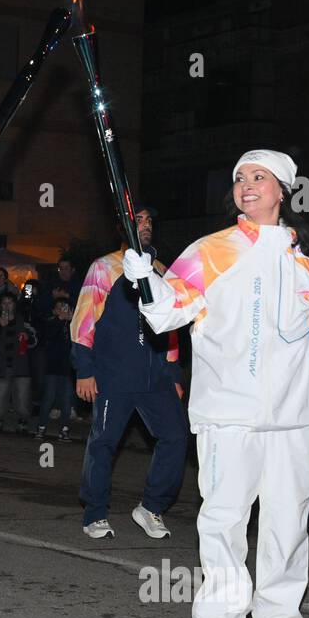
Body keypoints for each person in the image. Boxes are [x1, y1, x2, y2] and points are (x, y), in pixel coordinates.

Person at [122, 150, 309, 618]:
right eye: (240, 178)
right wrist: (145, 281)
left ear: (282, 191)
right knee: (224, 524)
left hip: (294, 418)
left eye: (259, 177)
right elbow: (168, 313)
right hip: (228, 414)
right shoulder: (210, 250)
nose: (246, 185)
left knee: (288, 528)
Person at [71, 207, 188, 540]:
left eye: (150, 220)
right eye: (138, 220)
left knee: (177, 437)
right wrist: (84, 369)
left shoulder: (163, 271)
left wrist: (174, 374)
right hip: (114, 376)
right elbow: (83, 321)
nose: (146, 225)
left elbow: (171, 327)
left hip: (156, 379)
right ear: (122, 227)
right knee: (104, 443)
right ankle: (95, 513)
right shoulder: (104, 268)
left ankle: (151, 507)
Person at [0, 291, 36, 432]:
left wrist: (28, 338)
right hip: (1, 365)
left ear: (15, 304)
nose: (7, 305)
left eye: (10, 302)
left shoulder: (23, 320)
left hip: (21, 364)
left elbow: (34, 340)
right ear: (0, 305)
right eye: (4, 302)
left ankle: (23, 420)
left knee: (22, 395)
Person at [32, 288, 75, 441]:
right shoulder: (51, 323)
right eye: (59, 307)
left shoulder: (73, 324)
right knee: (48, 399)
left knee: (67, 400)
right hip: (52, 368)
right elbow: (48, 335)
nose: (62, 310)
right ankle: (41, 427)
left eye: (65, 307)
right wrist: (59, 319)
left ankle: (64, 429)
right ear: (54, 310)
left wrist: (71, 320)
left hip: (68, 370)